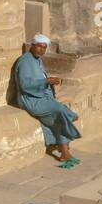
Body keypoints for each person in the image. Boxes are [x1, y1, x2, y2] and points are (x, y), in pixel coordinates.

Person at [13, 34, 82, 168]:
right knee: (62, 112)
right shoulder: (25, 61)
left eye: (44, 48)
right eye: (39, 47)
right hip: (30, 99)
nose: (42, 50)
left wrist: (48, 82)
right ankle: (66, 146)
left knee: (56, 119)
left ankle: (64, 151)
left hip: (40, 96)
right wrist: (46, 81)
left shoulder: (37, 60)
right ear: (32, 45)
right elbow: (24, 85)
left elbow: (39, 78)